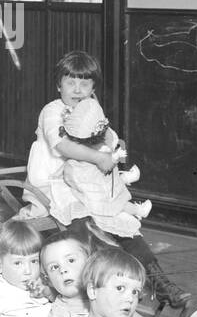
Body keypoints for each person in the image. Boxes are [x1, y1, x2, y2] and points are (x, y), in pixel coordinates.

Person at [25, 51, 189, 312]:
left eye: (85, 84)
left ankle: (161, 283)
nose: (77, 90)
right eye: (70, 82)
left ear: (93, 88)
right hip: (56, 184)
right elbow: (61, 145)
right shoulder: (53, 111)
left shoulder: (92, 110)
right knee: (85, 229)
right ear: (59, 85)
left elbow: (110, 137)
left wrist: (105, 142)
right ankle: (95, 287)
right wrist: (99, 158)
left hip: (87, 184)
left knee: (122, 222)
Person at [58, 97, 151, 236]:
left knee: (114, 193)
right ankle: (138, 210)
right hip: (95, 193)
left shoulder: (100, 146)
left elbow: (109, 150)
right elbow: (77, 179)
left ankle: (123, 181)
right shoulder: (76, 164)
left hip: (101, 179)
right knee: (117, 203)